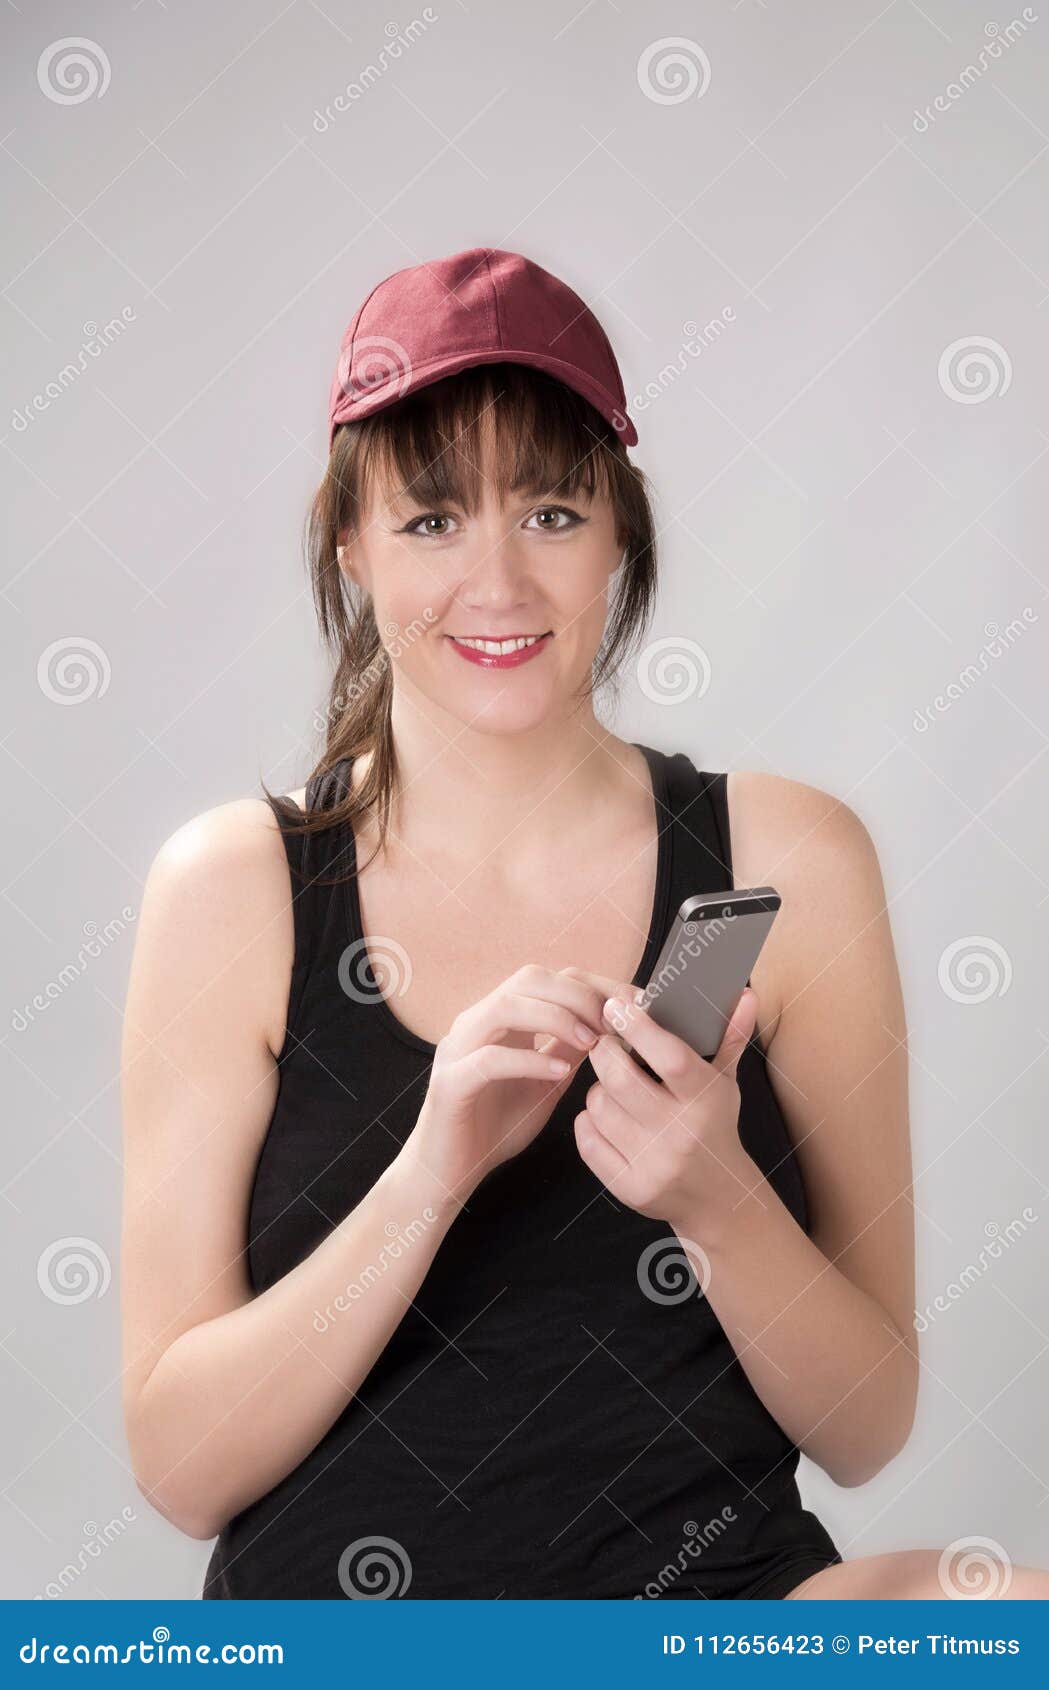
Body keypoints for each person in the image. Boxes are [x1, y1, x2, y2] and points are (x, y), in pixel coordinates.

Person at [119, 247, 1049, 1601]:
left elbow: (865, 1424)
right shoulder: (234, 887)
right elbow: (181, 1466)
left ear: (620, 531)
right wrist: (430, 1174)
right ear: (349, 543)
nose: (497, 583)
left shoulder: (790, 854)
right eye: (431, 521)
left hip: (716, 1619)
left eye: (551, 513)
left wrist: (713, 1195)